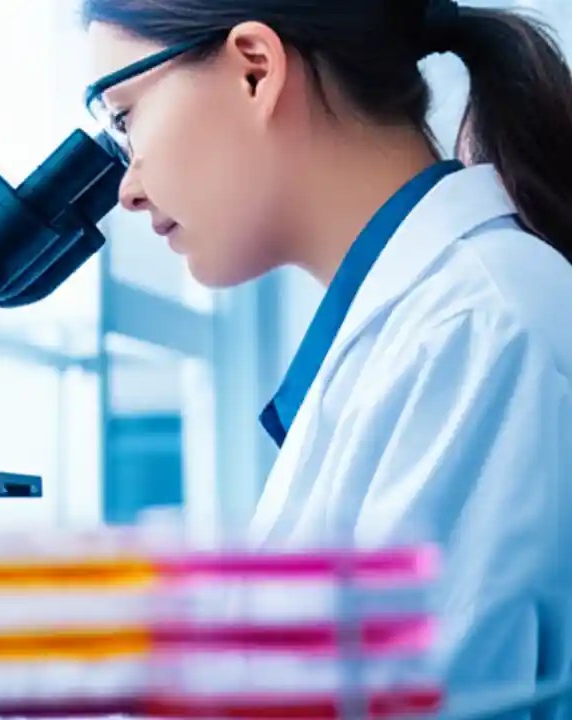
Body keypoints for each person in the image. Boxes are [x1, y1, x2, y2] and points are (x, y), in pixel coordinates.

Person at [82, 0, 572, 707]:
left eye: (126, 118)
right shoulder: (418, 332)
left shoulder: (478, 330)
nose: (125, 189)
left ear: (255, 69)